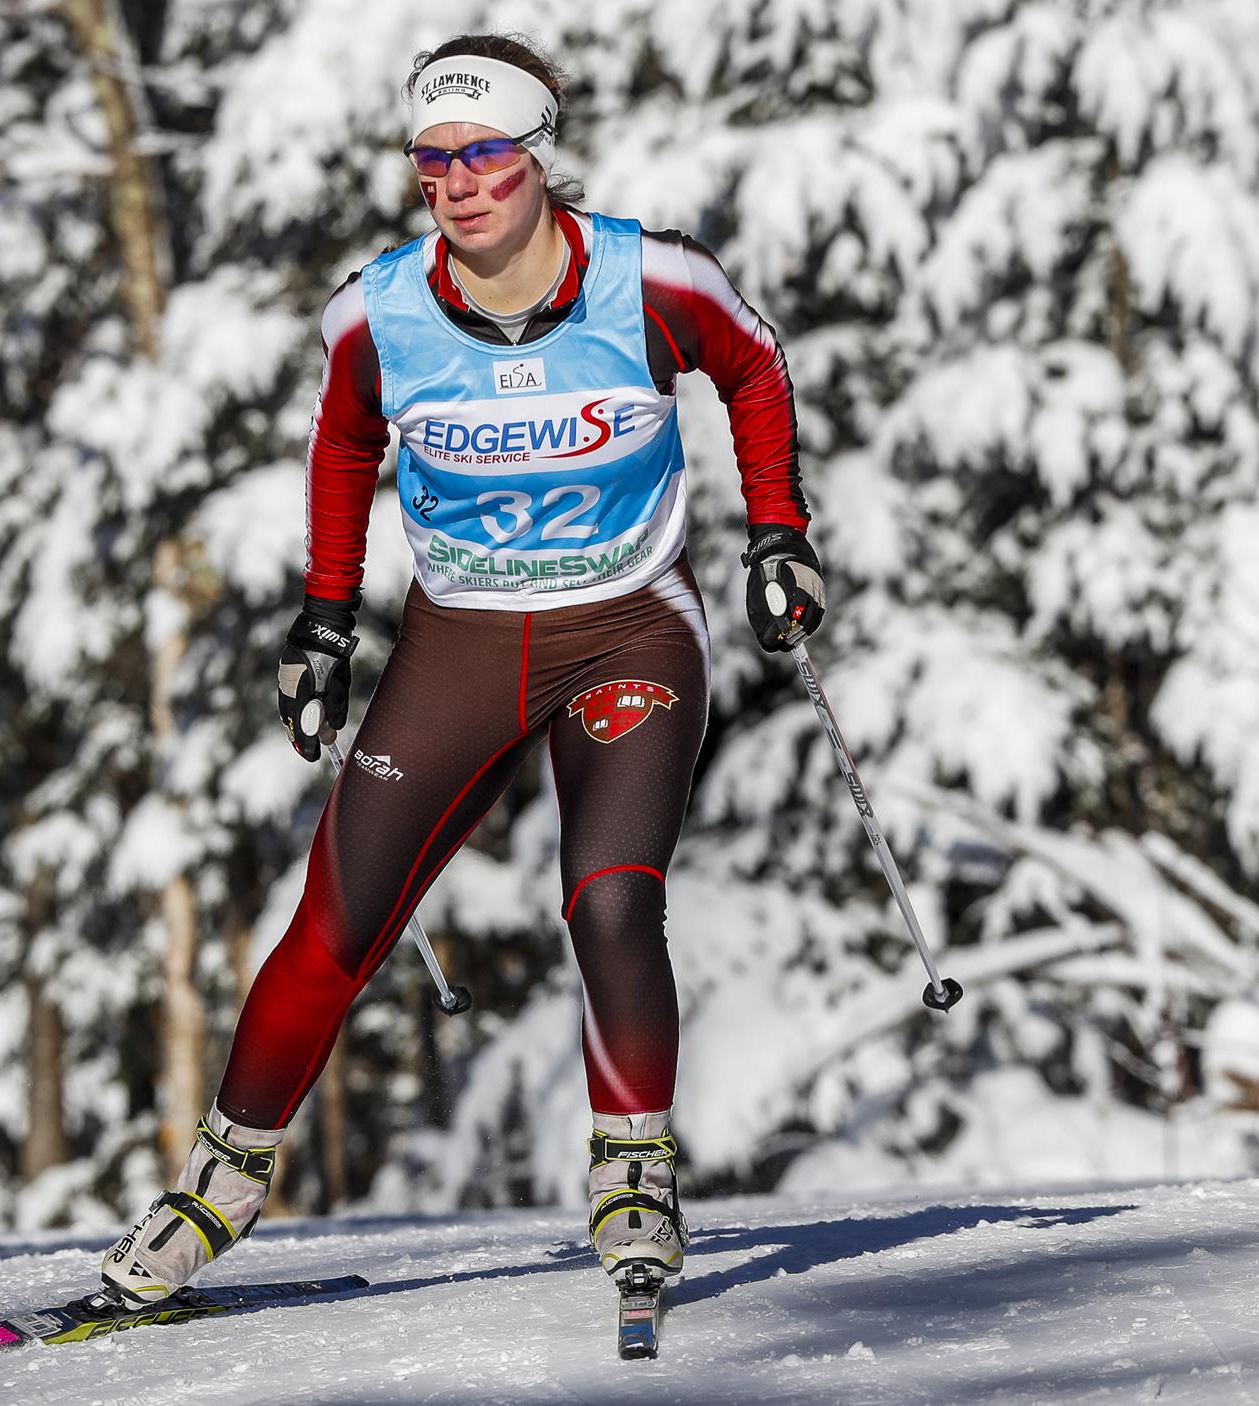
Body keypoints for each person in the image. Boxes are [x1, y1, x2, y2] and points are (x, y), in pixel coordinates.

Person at [96, 33, 822, 1306]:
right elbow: (341, 444)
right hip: (461, 639)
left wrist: (778, 532)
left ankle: (634, 1171)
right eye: (431, 159)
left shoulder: (653, 279)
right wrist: (325, 621)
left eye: (484, 151)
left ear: (538, 154)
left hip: (630, 626)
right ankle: (219, 1182)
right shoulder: (375, 311)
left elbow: (753, 366)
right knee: (336, 921)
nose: (457, 181)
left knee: (609, 900)